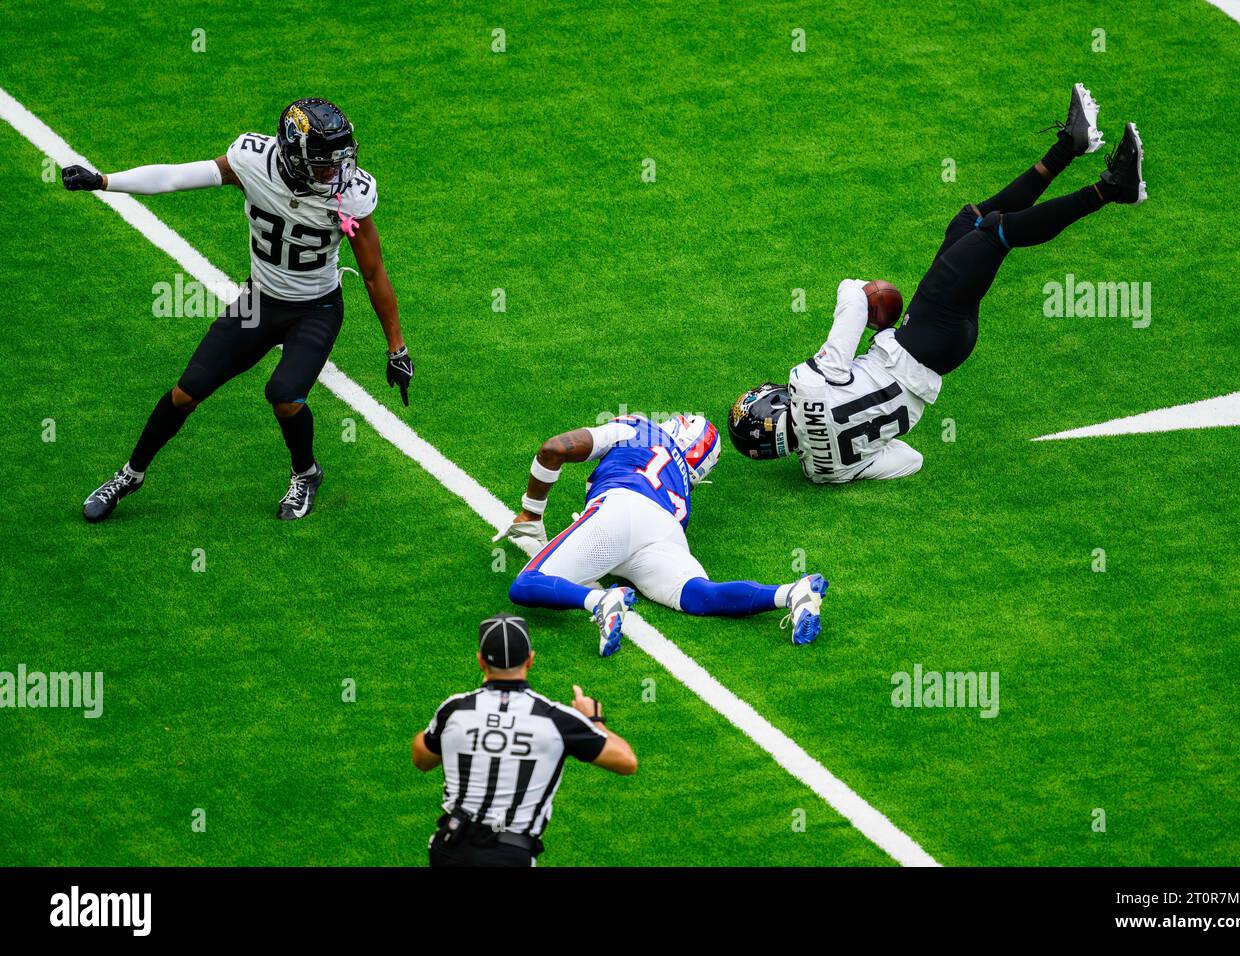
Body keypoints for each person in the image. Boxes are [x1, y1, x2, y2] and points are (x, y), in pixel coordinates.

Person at [728, 84, 1145, 483]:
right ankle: (1113, 189)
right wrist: (876, 314)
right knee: (997, 232)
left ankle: (1071, 145)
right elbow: (853, 296)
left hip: (944, 353)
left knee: (968, 222)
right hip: (919, 336)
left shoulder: (823, 473)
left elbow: (910, 459)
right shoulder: (807, 385)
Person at [61, 97, 414, 521]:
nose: (335, 173)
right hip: (260, 302)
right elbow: (177, 177)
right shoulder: (251, 161)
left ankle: (305, 472)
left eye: (340, 160)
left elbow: (373, 273)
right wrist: (103, 181)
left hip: (316, 309)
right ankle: (130, 475)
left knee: (283, 395)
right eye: (322, 163)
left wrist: (397, 348)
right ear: (292, 156)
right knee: (186, 393)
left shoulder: (350, 197)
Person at [494, 413, 829, 652]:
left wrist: (531, 512)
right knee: (701, 594)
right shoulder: (681, 484)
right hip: (664, 530)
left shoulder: (639, 428)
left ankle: (599, 601)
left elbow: (555, 448)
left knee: (525, 584)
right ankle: (791, 593)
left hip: (620, 510)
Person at [412, 613, 637, 866]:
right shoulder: (557, 720)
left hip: (450, 849)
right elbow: (626, 762)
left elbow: (422, 759)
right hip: (508, 855)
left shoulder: (455, 709)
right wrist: (593, 720)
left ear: (480, 661)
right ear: (530, 660)